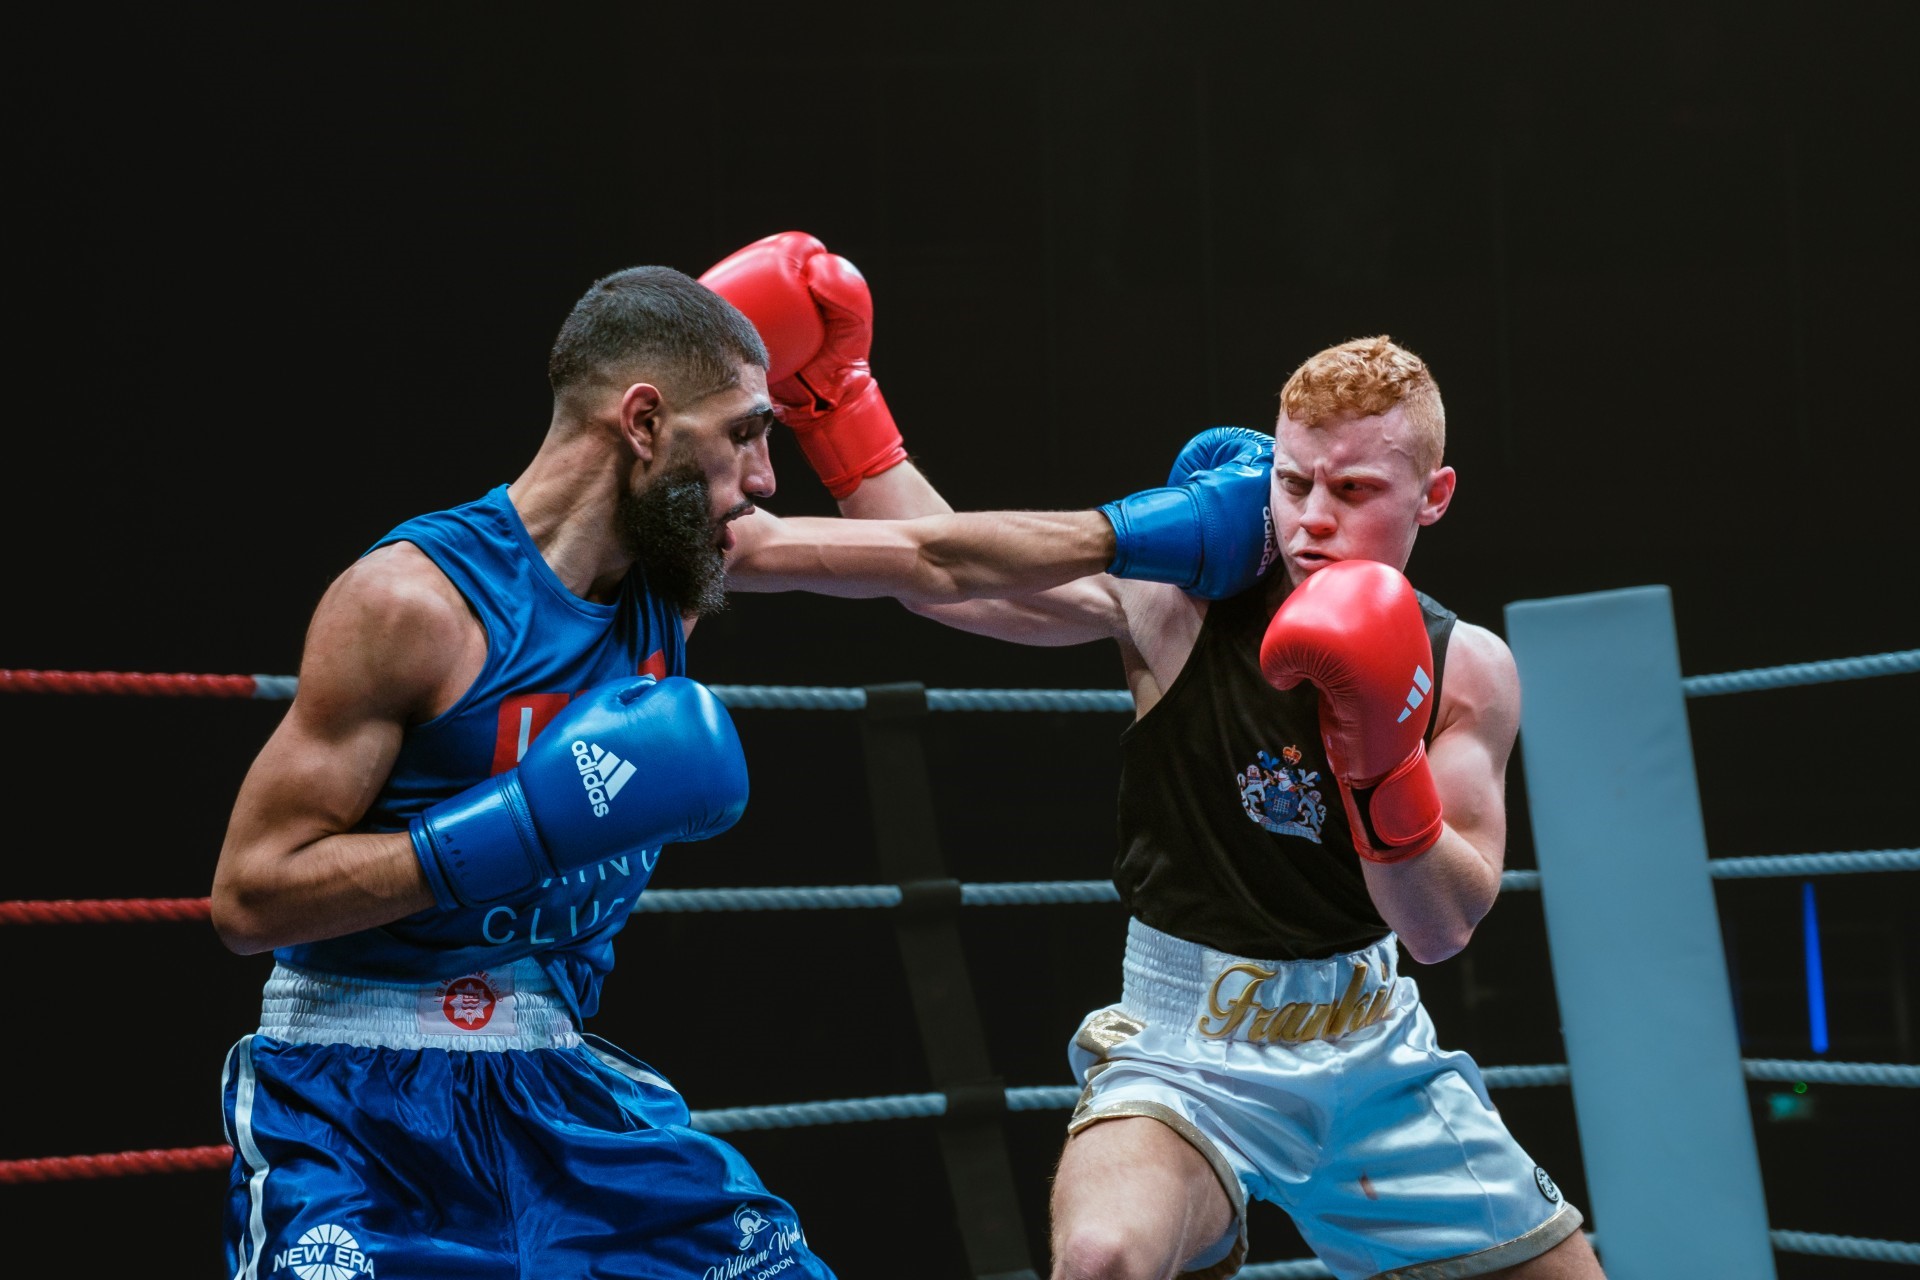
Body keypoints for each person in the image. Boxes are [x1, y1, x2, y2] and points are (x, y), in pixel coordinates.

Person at [209, 260, 1268, 1279]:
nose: (764, 477)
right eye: (746, 436)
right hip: (356, 1095)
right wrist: (515, 827)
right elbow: (250, 896)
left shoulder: (683, 574)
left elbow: (938, 559)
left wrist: (1141, 536)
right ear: (642, 422)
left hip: (554, 1082)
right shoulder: (413, 604)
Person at [704, 236, 1603, 1280]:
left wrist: (1378, 755)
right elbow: (944, 570)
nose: (1312, 519)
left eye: (1353, 489)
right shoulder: (1185, 599)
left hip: (1372, 1043)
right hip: (1189, 1043)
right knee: (1102, 1257)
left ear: (1432, 496)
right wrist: (839, 403)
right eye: (1294, 479)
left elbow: (1441, 923)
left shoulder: (1469, 668)